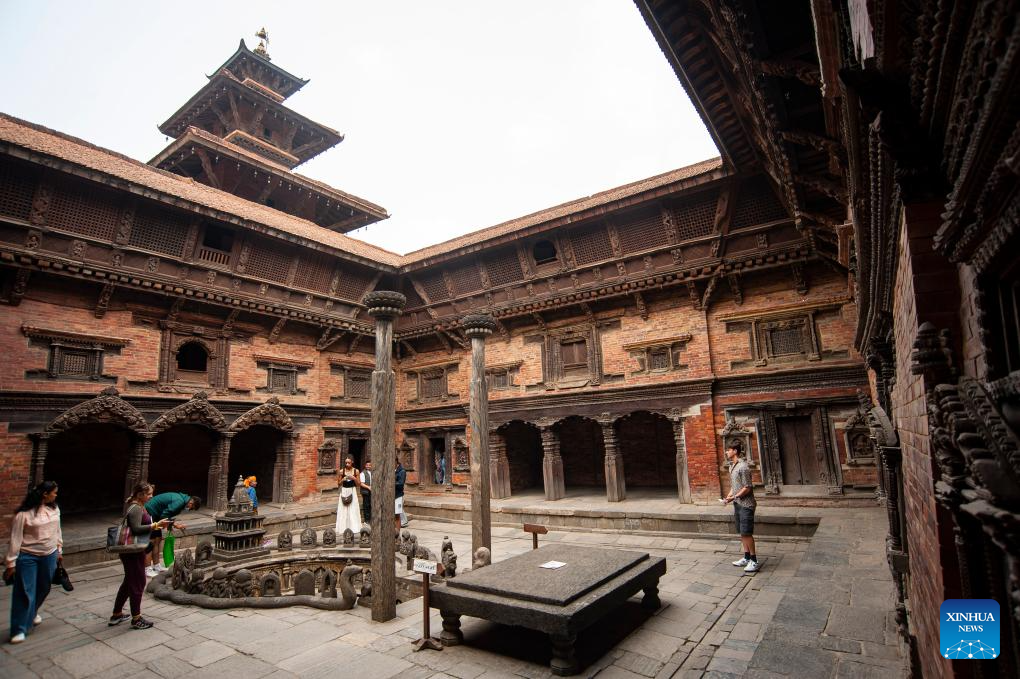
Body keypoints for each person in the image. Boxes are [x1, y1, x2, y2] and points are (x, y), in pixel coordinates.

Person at [5, 481, 62, 644]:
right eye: (54, 492)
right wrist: (11, 562)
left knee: (44, 587)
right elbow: (15, 539)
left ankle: (32, 611)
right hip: (28, 555)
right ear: (45, 494)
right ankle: (19, 628)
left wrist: (59, 549)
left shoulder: (54, 509)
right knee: (25, 590)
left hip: (49, 554)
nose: (56, 495)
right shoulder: (24, 514)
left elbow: (57, 530)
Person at [111, 482, 170, 630]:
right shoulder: (136, 508)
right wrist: (155, 526)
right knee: (138, 582)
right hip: (132, 551)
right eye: (149, 494)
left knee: (128, 582)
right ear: (140, 494)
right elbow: (136, 529)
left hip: (136, 550)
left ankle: (117, 614)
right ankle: (136, 618)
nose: (151, 496)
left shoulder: (138, 506)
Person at [143, 492, 200, 577]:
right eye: (192, 508)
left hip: (157, 516)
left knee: (157, 540)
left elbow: (166, 514)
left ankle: (156, 566)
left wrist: (172, 524)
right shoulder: (179, 502)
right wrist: (174, 524)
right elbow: (165, 514)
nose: (189, 509)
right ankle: (147, 569)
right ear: (191, 503)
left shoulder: (182, 499)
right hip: (151, 512)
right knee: (151, 542)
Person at [723, 444, 759, 573]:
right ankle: (746, 557)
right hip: (737, 504)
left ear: (735, 451)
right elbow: (735, 485)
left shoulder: (743, 467)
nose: (726, 452)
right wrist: (729, 496)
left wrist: (734, 497)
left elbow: (747, 487)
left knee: (747, 533)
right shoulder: (732, 466)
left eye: (728, 450)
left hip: (746, 504)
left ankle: (754, 561)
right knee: (742, 532)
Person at [335, 458, 362, 534]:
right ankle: (343, 527)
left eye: (349, 463)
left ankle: (354, 527)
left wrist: (354, 479)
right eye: (346, 463)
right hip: (344, 490)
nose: (347, 464)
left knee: (353, 508)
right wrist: (342, 480)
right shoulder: (341, 471)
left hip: (352, 490)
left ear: (352, 462)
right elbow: (339, 483)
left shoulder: (356, 471)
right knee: (343, 508)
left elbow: (358, 484)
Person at [395, 458, 407, 537]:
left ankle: (397, 534)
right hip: (390, 495)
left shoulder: (402, 471)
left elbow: (400, 483)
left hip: (398, 495)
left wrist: (391, 482)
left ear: (396, 462)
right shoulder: (390, 469)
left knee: (397, 515)